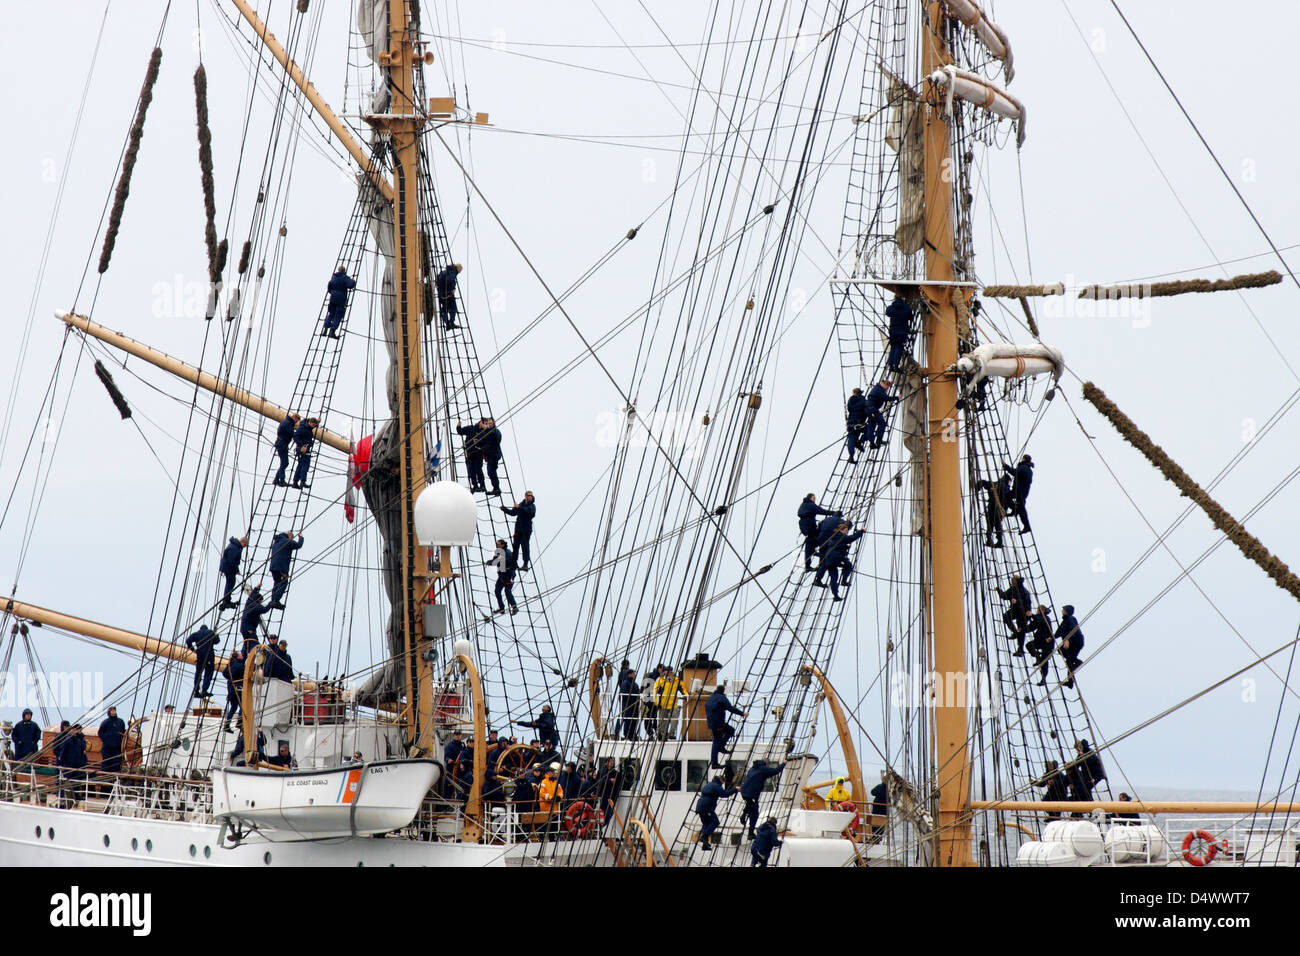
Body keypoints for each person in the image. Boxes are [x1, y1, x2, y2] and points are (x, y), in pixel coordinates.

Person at [815, 521, 864, 602]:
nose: (846, 531)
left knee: (834, 577)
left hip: (829, 559)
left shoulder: (833, 537)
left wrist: (845, 547)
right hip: (836, 557)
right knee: (848, 565)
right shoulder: (842, 537)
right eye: (845, 530)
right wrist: (861, 531)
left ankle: (836, 596)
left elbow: (836, 546)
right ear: (841, 530)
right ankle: (844, 580)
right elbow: (852, 538)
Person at [739, 758, 788, 839]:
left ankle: (743, 815)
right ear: (766, 764)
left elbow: (761, 775)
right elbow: (776, 771)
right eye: (768, 765)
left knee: (750, 804)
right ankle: (750, 833)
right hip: (751, 794)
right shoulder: (763, 769)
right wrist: (783, 763)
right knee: (754, 814)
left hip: (744, 791)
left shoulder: (753, 768)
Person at [695, 769, 738, 852]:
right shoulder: (716, 786)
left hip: (700, 806)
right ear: (721, 780)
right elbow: (724, 794)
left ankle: (705, 844)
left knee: (706, 824)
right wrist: (735, 789)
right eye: (723, 783)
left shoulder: (709, 785)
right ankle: (704, 836)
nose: (722, 785)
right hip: (706, 807)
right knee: (715, 822)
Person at [705, 681, 746, 768]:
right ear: (723, 691)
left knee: (716, 740)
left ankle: (715, 761)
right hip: (719, 723)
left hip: (711, 724)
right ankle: (721, 748)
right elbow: (731, 709)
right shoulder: (722, 698)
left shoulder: (711, 697)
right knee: (731, 731)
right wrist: (742, 713)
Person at [797, 494, 841, 573]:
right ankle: (813, 562)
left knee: (813, 540)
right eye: (814, 498)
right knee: (815, 540)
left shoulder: (803, 505)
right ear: (810, 498)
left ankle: (812, 555)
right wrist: (834, 513)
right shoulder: (810, 505)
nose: (815, 500)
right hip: (809, 526)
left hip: (805, 526)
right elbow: (821, 511)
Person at [268, 530, 304, 609]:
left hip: (273, 567)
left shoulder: (276, 542)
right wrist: (301, 537)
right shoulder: (287, 541)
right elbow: (298, 545)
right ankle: (276, 600)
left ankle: (273, 600)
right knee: (284, 582)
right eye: (292, 537)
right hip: (282, 567)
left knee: (277, 582)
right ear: (289, 536)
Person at [997, 575, 1032, 655]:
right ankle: (1014, 632)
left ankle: (1020, 650)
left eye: (1012, 580)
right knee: (1006, 617)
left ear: (1016, 581)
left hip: (1024, 613)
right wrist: (999, 590)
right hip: (1015, 610)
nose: (1011, 581)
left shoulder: (1024, 591)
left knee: (1021, 630)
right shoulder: (1012, 589)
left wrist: (1017, 602)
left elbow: (1026, 603)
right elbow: (1005, 596)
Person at [501, 491, 536, 571]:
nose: (530, 497)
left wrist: (519, 507)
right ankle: (514, 564)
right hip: (518, 529)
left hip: (526, 530)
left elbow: (531, 513)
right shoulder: (521, 504)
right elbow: (513, 513)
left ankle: (525, 564)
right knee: (515, 547)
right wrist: (504, 509)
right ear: (525, 496)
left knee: (525, 547)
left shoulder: (532, 506)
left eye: (531, 496)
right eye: (528, 495)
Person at [184, 623, 220, 698]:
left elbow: (188, 641)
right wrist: (216, 635)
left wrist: (192, 649)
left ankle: (196, 691)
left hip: (200, 655)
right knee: (208, 672)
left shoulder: (196, 634)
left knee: (198, 673)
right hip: (209, 655)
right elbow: (217, 641)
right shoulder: (210, 632)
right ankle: (204, 690)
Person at [484, 539, 518, 615]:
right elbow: (494, 561)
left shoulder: (508, 552)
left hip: (508, 575)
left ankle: (514, 607)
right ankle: (501, 608)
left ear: (503, 545)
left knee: (507, 592)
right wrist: (489, 562)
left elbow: (510, 562)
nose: (497, 545)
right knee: (497, 591)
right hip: (502, 576)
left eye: (498, 544)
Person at [977, 474, 1012, 549]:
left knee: (990, 526)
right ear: (1007, 481)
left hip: (991, 510)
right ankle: (999, 542)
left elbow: (984, 482)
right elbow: (1008, 500)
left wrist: (977, 487)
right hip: (998, 512)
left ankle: (989, 540)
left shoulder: (994, 484)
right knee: (998, 526)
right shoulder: (1006, 488)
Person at [863, 379, 900, 450]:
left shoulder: (877, 389)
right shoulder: (878, 390)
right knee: (882, 423)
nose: (887, 388)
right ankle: (878, 440)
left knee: (871, 425)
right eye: (887, 386)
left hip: (869, 409)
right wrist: (897, 397)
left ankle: (872, 443)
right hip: (872, 409)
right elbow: (887, 398)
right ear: (884, 384)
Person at [1056, 604, 1085, 689]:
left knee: (1062, 651)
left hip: (1075, 641)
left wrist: (1067, 640)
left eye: (1063, 609)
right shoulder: (1064, 621)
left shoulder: (1071, 619)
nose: (1062, 611)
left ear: (1066, 611)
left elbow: (1073, 629)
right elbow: (1059, 631)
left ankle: (1078, 662)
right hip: (1073, 641)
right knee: (1069, 662)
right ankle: (1070, 682)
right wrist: (1052, 637)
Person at [322, 266, 356, 338]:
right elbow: (350, 285)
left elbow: (329, 286)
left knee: (331, 314)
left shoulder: (334, 277)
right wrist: (353, 281)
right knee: (338, 315)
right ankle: (332, 332)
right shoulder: (345, 278)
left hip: (333, 298)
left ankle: (325, 331)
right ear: (344, 271)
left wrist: (333, 293)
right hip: (340, 300)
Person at [1003, 454, 1034, 533]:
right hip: (1020, 491)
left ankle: (1027, 526)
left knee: (1021, 509)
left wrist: (1006, 466)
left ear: (1024, 459)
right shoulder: (1028, 469)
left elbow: (1015, 472)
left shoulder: (1024, 468)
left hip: (1020, 491)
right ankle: (1014, 510)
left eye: (1022, 458)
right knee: (1007, 497)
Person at [1025, 605, 1055, 687]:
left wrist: (1032, 615)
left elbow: (1040, 620)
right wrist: (1023, 629)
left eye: (1040, 609)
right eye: (1038, 609)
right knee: (1029, 646)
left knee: (1044, 661)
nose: (1038, 610)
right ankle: (1037, 656)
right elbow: (1031, 626)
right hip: (1040, 641)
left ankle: (1043, 679)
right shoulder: (1037, 618)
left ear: (1044, 611)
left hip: (1047, 642)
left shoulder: (1045, 618)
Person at [652, 667, 684, 741]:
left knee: (674, 719)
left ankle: (671, 734)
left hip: (673, 703)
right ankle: (662, 735)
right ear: (664, 672)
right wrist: (657, 703)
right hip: (663, 703)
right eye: (667, 671)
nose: (669, 672)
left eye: (670, 671)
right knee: (662, 721)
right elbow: (655, 692)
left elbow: (683, 689)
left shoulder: (676, 680)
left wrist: (686, 695)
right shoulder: (659, 680)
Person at [885, 294, 914, 371]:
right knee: (899, 348)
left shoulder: (891, 308)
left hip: (893, 331)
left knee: (893, 347)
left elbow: (887, 313)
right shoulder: (907, 308)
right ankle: (896, 366)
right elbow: (911, 317)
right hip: (902, 331)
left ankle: (890, 365)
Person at [218, 535, 248, 609]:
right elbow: (232, 561)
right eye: (245, 545)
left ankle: (227, 600)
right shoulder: (235, 548)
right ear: (243, 542)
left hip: (227, 567)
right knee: (230, 582)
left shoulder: (234, 545)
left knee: (230, 582)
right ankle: (226, 600)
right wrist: (236, 570)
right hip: (228, 568)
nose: (244, 547)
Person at [455, 420, 486, 492]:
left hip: (478, 454)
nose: (484, 425)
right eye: (483, 422)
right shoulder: (470, 428)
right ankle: (475, 486)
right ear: (480, 422)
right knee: (471, 471)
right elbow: (461, 431)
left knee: (478, 470)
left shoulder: (484, 432)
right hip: (470, 454)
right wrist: (458, 427)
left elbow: (486, 442)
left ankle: (482, 485)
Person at [272, 413, 300, 487]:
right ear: (295, 418)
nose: (296, 423)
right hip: (282, 445)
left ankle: (276, 479)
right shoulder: (288, 423)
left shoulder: (286, 421)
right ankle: (281, 480)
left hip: (281, 444)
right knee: (285, 463)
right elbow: (292, 434)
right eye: (296, 421)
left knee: (284, 463)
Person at [292, 417, 319, 490]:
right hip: (303, 449)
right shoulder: (303, 428)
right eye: (313, 425)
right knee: (305, 466)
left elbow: (313, 425)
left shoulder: (307, 427)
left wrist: (318, 422)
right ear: (310, 423)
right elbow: (295, 436)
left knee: (300, 466)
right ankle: (302, 481)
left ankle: (295, 482)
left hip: (304, 449)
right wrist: (302, 446)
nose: (314, 427)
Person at [478, 418, 503, 497]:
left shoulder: (496, 431)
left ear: (493, 423)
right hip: (489, 456)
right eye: (488, 423)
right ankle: (496, 488)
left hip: (494, 455)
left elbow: (495, 439)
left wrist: (487, 430)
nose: (489, 425)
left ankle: (497, 489)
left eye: (490, 423)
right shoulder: (486, 432)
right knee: (491, 472)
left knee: (491, 472)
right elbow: (484, 441)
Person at [240, 588, 269, 653]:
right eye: (261, 601)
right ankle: (253, 656)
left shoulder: (249, 601)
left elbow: (252, 594)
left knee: (247, 644)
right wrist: (270, 604)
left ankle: (242, 657)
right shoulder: (255, 606)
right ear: (259, 600)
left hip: (244, 629)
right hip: (249, 629)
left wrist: (256, 588)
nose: (261, 602)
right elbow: (264, 610)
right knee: (254, 644)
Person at [98, 707, 126, 774]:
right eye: (112, 711)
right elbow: (100, 733)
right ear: (109, 712)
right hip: (107, 747)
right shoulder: (106, 722)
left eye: (114, 710)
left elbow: (123, 732)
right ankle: (104, 777)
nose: (113, 712)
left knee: (116, 764)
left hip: (117, 747)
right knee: (106, 763)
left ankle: (114, 779)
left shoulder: (120, 722)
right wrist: (106, 740)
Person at [435, 263, 463, 330]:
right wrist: (453, 289)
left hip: (441, 294)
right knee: (453, 308)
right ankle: (451, 323)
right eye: (460, 270)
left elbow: (437, 278)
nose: (459, 272)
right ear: (458, 268)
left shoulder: (445, 271)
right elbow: (450, 280)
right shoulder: (452, 272)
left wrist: (437, 286)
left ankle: (447, 324)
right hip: (448, 294)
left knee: (444, 309)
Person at [222, 649, 244, 733]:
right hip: (237, 688)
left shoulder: (231, 664)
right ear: (238, 656)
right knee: (242, 705)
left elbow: (224, 673)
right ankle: (239, 721)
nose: (242, 655)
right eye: (241, 655)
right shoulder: (239, 665)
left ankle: (227, 725)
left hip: (231, 688)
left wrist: (231, 679)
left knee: (234, 707)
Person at [845, 388, 868, 463]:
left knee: (852, 438)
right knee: (868, 432)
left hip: (852, 423)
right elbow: (866, 410)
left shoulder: (852, 399)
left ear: (854, 392)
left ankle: (851, 456)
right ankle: (860, 442)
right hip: (861, 422)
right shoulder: (864, 400)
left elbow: (849, 408)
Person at [618, 668, 639, 741]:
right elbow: (624, 694)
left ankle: (633, 734)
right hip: (628, 706)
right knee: (628, 720)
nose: (634, 675)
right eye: (633, 673)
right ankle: (627, 734)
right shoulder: (625, 683)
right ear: (630, 674)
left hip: (635, 706)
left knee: (634, 720)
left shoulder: (635, 684)